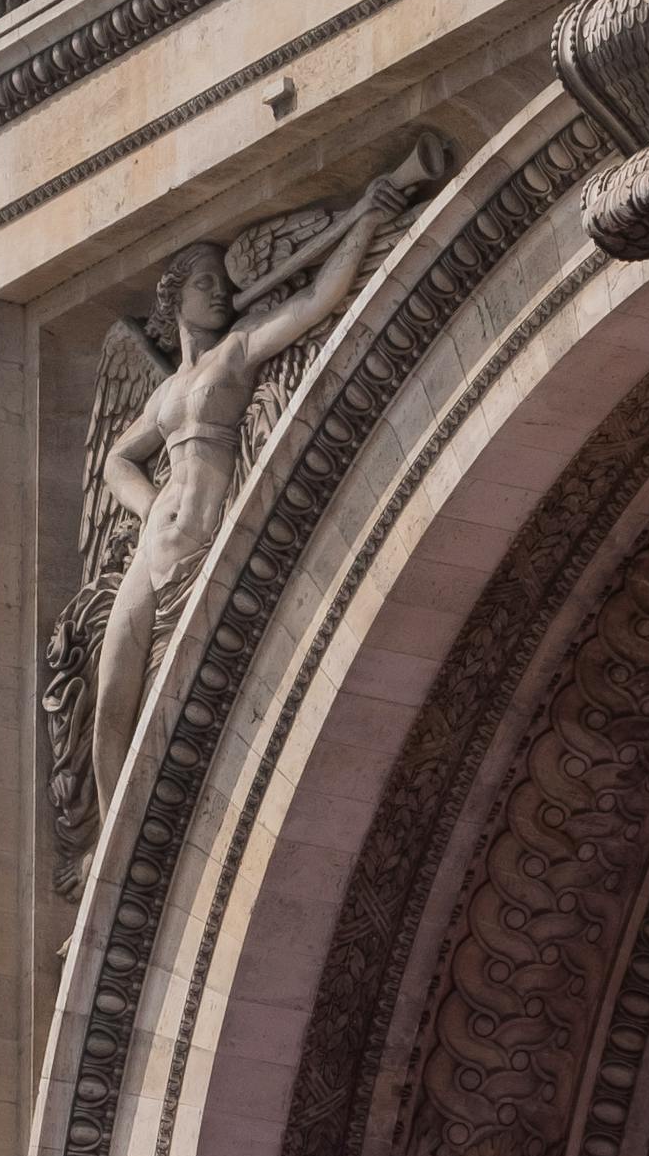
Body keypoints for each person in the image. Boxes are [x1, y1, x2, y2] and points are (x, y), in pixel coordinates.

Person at [85, 155, 451, 811]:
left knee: (170, 700)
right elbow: (116, 458)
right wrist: (145, 511)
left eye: (221, 283)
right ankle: (113, 843)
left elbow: (317, 301)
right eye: (203, 282)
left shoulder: (239, 348)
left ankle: (152, 823)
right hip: (155, 544)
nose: (218, 292)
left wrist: (364, 219)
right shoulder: (163, 391)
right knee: (112, 690)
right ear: (173, 298)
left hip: (201, 537)